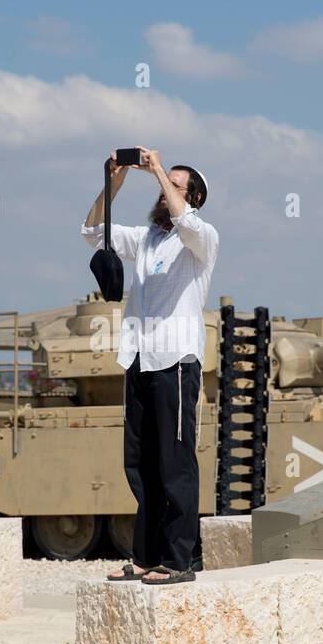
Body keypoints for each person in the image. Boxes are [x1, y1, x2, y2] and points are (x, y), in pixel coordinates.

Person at [80, 147, 217, 584]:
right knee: (141, 464)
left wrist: (158, 168)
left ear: (193, 198)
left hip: (176, 361)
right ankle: (146, 555)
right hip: (138, 357)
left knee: (176, 462)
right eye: (162, 184)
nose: (163, 192)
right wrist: (114, 181)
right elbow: (91, 232)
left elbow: (186, 223)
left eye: (175, 187)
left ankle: (181, 561)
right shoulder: (146, 239)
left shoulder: (202, 239)